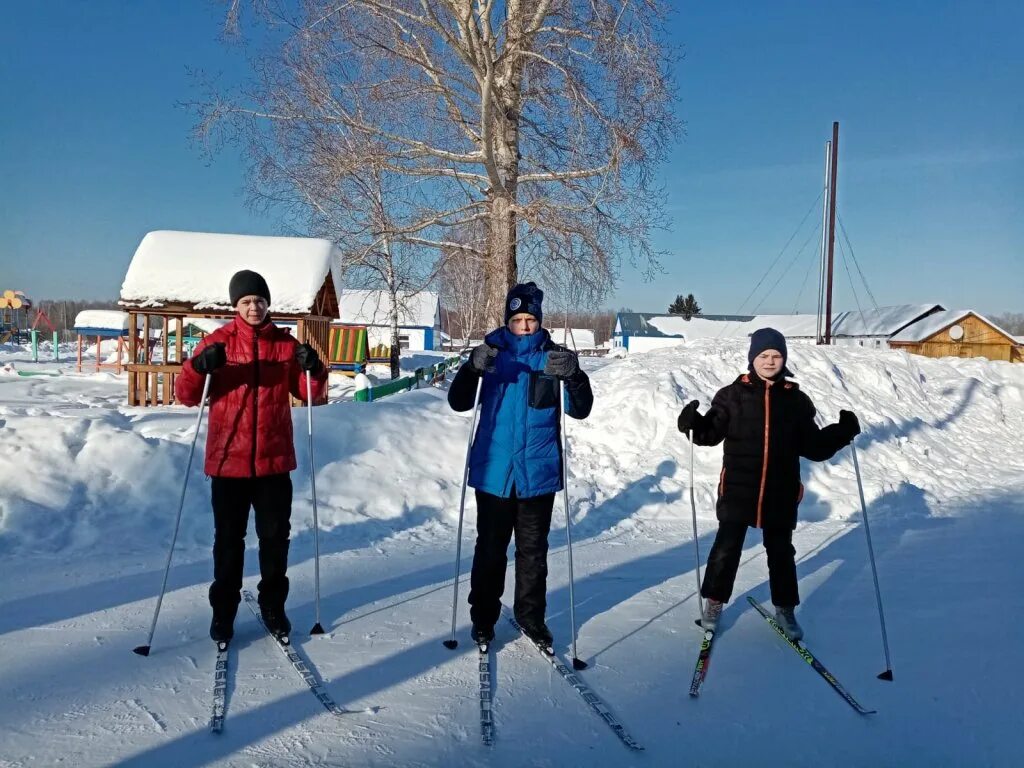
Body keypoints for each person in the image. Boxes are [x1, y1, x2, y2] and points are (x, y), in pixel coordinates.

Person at [175, 269, 329, 644]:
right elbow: (186, 394)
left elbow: (312, 394)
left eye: (259, 300)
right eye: (245, 301)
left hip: (274, 462)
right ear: (236, 306)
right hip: (228, 461)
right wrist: (198, 367)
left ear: (267, 303)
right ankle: (223, 612)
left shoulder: (286, 345)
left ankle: (273, 606)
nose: (253, 307)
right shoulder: (218, 343)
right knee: (229, 541)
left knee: (275, 540)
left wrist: (315, 368)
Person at [677, 327, 860, 640]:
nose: (770, 361)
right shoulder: (731, 396)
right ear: (753, 359)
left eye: (776, 356)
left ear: (784, 359)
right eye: (764, 355)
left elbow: (812, 446)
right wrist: (693, 424)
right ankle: (714, 603)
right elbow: (710, 433)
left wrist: (842, 432)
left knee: (781, 553)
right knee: (726, 549)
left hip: (780, 490)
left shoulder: (796, 400)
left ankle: (785, 609)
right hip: (738, 489)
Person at [447, 282, 594, 647]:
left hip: (538, 473)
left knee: (533, 553)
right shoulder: (491, 354)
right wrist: (471, 368)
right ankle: (483, 618)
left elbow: (581, 409)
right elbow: (459, 402)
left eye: (530, 319)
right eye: (518, 319)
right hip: (495, 471)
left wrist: (574, 376)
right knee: (490, 550)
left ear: (539, 320)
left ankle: (531, 618)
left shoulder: (555, 357)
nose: (525, 326)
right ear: (507, 320)